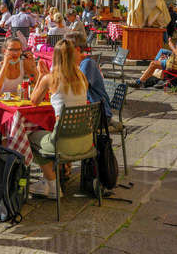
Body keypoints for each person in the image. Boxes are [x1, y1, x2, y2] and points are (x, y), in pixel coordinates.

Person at [28, 38, 89, 198]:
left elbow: (34, 101)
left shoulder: (51, 79)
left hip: (62, 141)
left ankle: (52, 183)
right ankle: (52, 179)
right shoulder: (82, 77)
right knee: (46, 133)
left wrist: (41, 75)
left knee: (28, 137)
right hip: (84, 140)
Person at [67, 31, 120, 129]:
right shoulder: (78, 64)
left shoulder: (87, 63)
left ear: (77, 50)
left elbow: (78, 89)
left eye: (66, 50)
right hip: (89, 111)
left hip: (98, 114)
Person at [130, 18, 177, 88]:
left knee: (153, 64)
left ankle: (139, 82)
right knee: (161, 54)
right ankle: (152, 71)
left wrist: (170, 44)